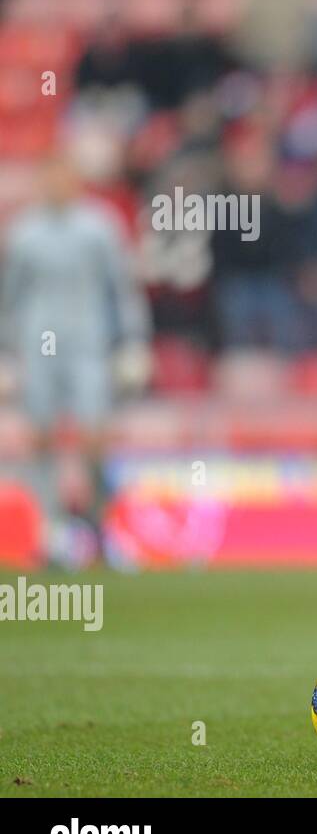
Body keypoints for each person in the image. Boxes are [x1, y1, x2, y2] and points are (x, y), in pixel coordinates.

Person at [0, 154, 151, 564]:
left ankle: (99, 524)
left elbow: (122, 287)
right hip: (38, 345)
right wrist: (5, 355)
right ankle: (50, 530)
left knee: (95, 435)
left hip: (89, 342)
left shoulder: (100, 227)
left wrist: (133, 341)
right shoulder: (24, 233)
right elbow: (8, 299)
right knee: (41, 435)